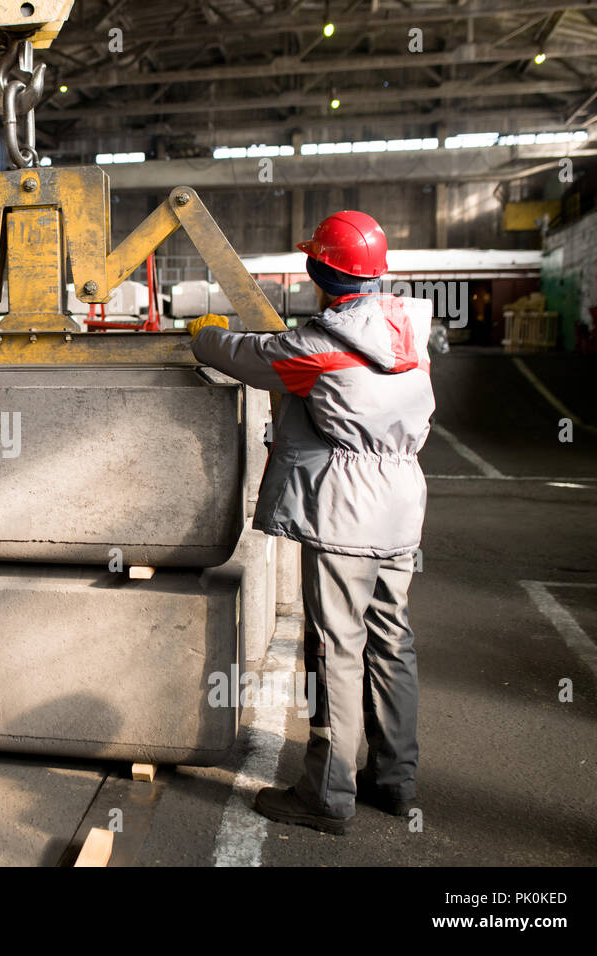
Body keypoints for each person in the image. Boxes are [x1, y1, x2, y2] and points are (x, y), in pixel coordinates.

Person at [188, 211, 436, 834]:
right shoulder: (410, 331)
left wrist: (204, 333)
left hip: (344, 515)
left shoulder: (316, 348)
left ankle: (326, 793)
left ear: (318, 270)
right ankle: (395, 780)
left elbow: (246, 355)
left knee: (334, 652)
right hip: (402, 504)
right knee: (392, 642)